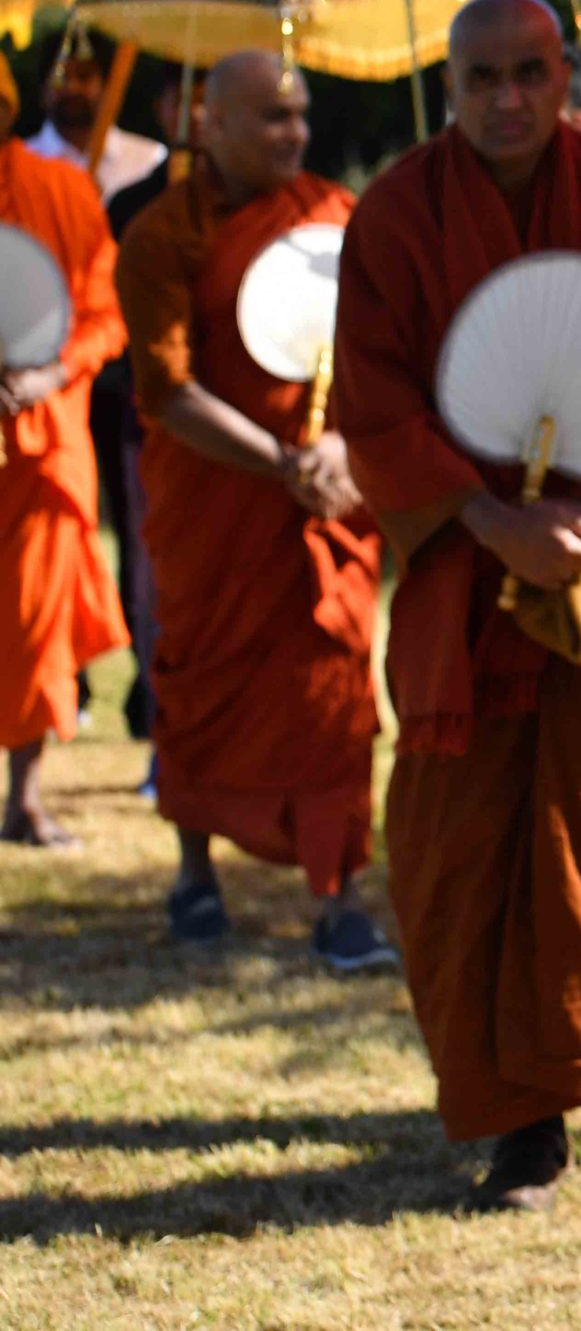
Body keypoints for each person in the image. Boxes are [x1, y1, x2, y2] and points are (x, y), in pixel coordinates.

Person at [334, 0, 581, 1211]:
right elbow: (373, 401)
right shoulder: (398, 212)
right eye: (482, 77)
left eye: (529, 73)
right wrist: (491, 520)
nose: (507, 98)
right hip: (464, 561)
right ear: (449, 87)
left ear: (564, 78)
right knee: (469, 844)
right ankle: (520, 1124)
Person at [113, 50, 394, 968]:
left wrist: (341, 447)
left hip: (326, 499)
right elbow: (166, 389)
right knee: (199, 671)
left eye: (300, 112)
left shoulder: (336, 218)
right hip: (215, 501)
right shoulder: (163, 234)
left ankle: (338, 893)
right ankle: (195, 870)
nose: (294, 131)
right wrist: (279, 462)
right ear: (212, 124)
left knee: (333, 685)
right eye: (272, 115)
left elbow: (381, 358)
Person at [0, 54, 127, 847]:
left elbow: (105, 317)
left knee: (32, 619)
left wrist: (49, 371)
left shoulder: (63, 190)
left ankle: (24, 797)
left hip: (40, 439)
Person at [100, 71, 209, 767]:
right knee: (148, 571)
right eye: (181, 98)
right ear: (162, 108)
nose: (193, 113)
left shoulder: (262, 206)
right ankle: (156, 718)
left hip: (239, 427)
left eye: (204, 98)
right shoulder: (134, 205)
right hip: (146, 415)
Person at [30, 33, 166, 199]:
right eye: (61, 76)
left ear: (108, 87)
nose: (72, 88)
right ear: (42, 89)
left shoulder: (150, 160)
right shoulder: (18, 166)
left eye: (84, 76)